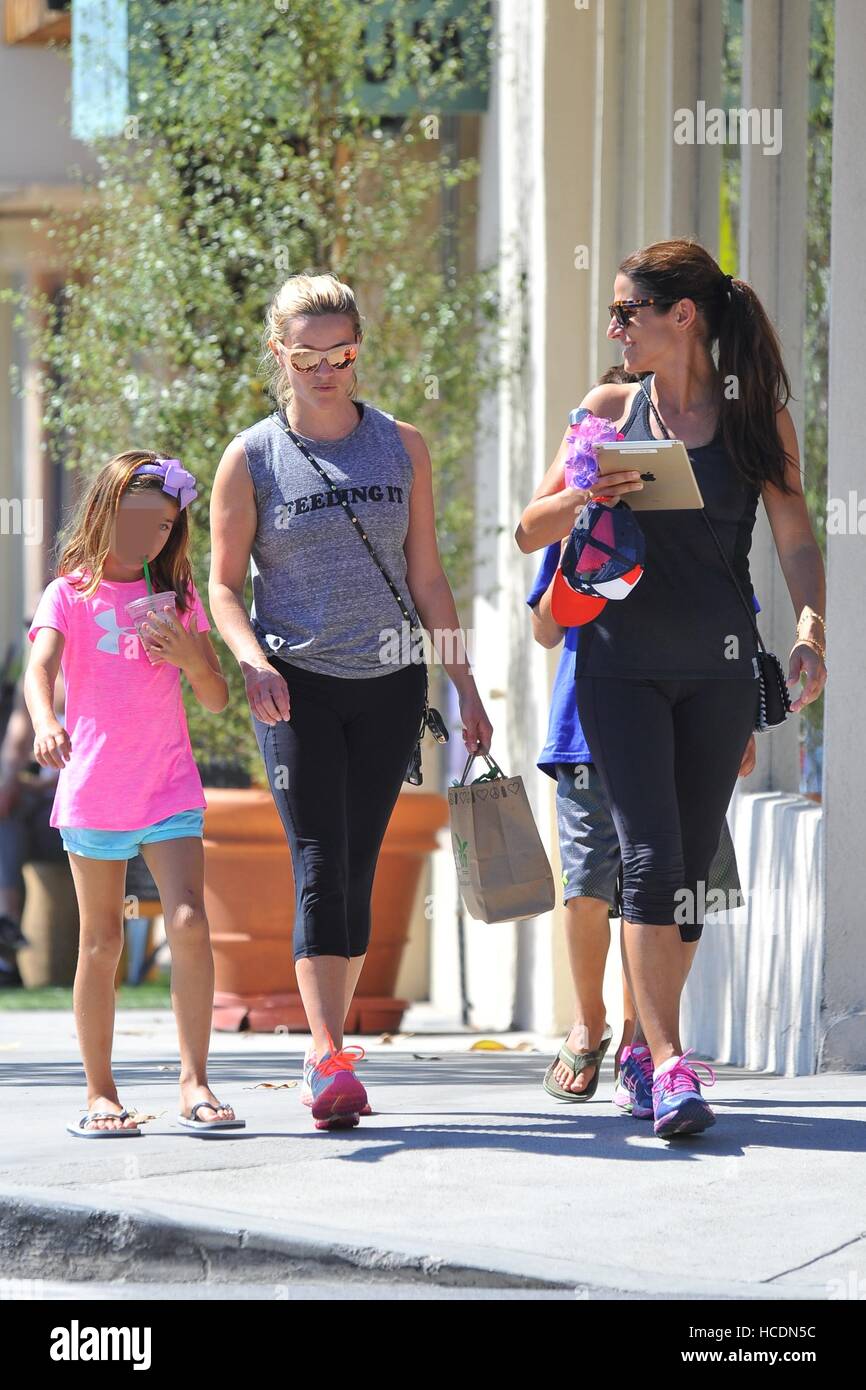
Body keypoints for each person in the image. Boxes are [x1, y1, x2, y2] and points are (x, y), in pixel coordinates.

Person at [517, 240, 826, 1138]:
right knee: (648, 860)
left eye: (627, 312)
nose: (613, 328)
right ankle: (669, 1061)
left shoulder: (754, 419)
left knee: (688, 872)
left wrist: (811, 627)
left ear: (681, 316)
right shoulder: (609, 409)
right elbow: (526, 530)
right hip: (618, 668)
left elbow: (797, 538)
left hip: (721, 670)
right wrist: (586, 492)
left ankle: (651, 1056)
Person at [209, 272, 493, 1130]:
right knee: (319, 860)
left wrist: (464, 686)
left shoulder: (400, 446)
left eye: (343, 355)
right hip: (294, 684)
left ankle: (329, 1046)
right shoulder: (251, 456)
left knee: (360, 863)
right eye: (310, 357)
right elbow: (223, 587)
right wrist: (252, 661)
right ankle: (326, 1053)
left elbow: (429, 575)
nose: (328, 371)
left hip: (389, 683)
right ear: (279, 355)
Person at [525, 369, 756, 1114]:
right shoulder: (585, 502)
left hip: (694, 716)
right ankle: (589, 1023)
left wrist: (744, 714)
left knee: (679, 882)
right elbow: (546, 624)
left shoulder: (702, 528)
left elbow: (735, 621)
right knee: (593, 886)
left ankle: (646, 1043)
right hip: (591, 724)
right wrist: (595, 542)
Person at [24, 451, 244, 1136]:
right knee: (102, 943)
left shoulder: (178, 597)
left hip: (169, 785)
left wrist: (187, 654)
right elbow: (40, 667)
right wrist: (45, 721)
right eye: (139, 521)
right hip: (94, 791)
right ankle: (100, 1093)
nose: (151, 537)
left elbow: (212, 696)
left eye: (165, 526)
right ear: (106, 514)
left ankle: (195, 1083)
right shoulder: (68, 592)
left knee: (188, 922)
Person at [0, 674, 67, 986]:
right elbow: (14, 750)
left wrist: (43, 783)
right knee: (5, 817)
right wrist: (9, 784)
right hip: (41, 807)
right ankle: (8, 924)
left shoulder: (93, 664)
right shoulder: (34, 681)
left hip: (78, 807)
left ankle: (7, 928)